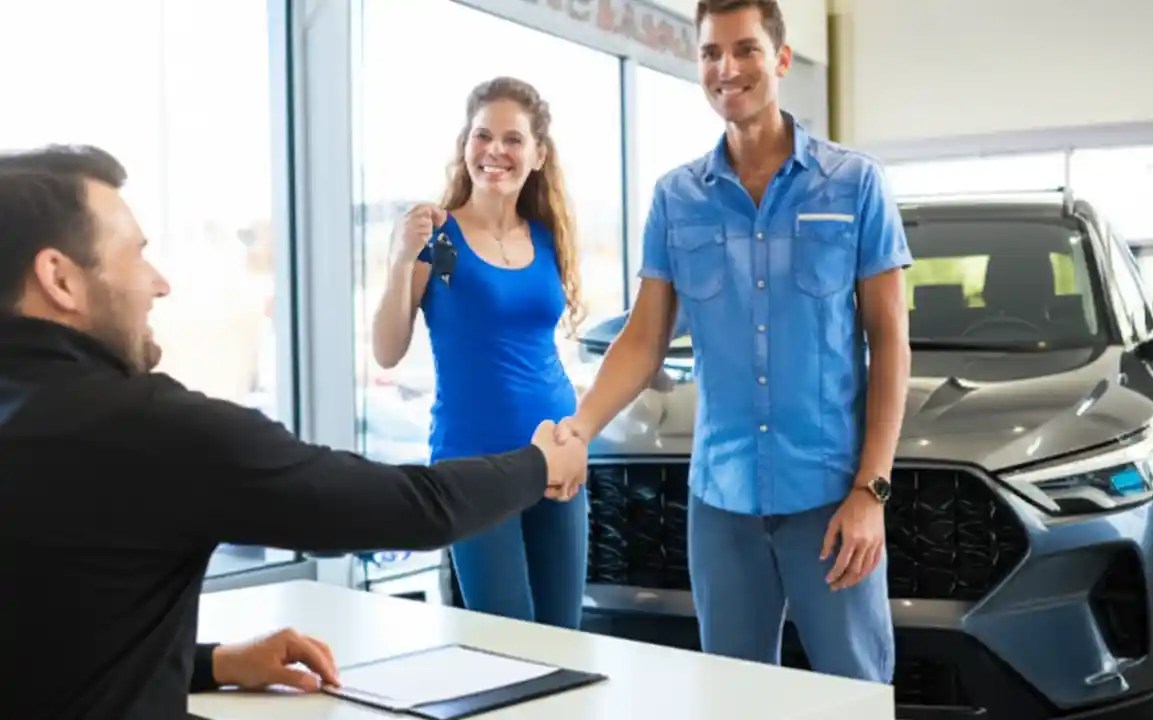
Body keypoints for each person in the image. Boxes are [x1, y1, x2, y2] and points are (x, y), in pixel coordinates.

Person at [0, 145, 587, 720]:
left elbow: (55, 638)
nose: (159, 284)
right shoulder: (151, 431)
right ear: (60, 279)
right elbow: (409, 509)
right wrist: (538, 465)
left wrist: (215, 664)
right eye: (135, 255)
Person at [554, 0, 912, 684]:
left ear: (781, 59)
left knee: (856, 691)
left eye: (745, 49)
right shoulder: (676, 197)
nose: (727, 68)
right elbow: (643, 337)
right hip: (722, 504)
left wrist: (872, 491)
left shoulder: (855, 184)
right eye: (711, 53)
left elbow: (890, 343)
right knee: (734, 698)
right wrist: (579, 429)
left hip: (830, 497)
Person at [371, 76, 590, 630]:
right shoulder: (441, 239)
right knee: (506, 644)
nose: (495, 150)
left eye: (513, 139)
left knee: (563, 638)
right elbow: (388, 351)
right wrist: (400, 261)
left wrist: (579, 433)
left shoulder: (546, 236)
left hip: (556, 453)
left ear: (538, 155)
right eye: (483, 136)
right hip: (474, 468)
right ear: (465, 145)